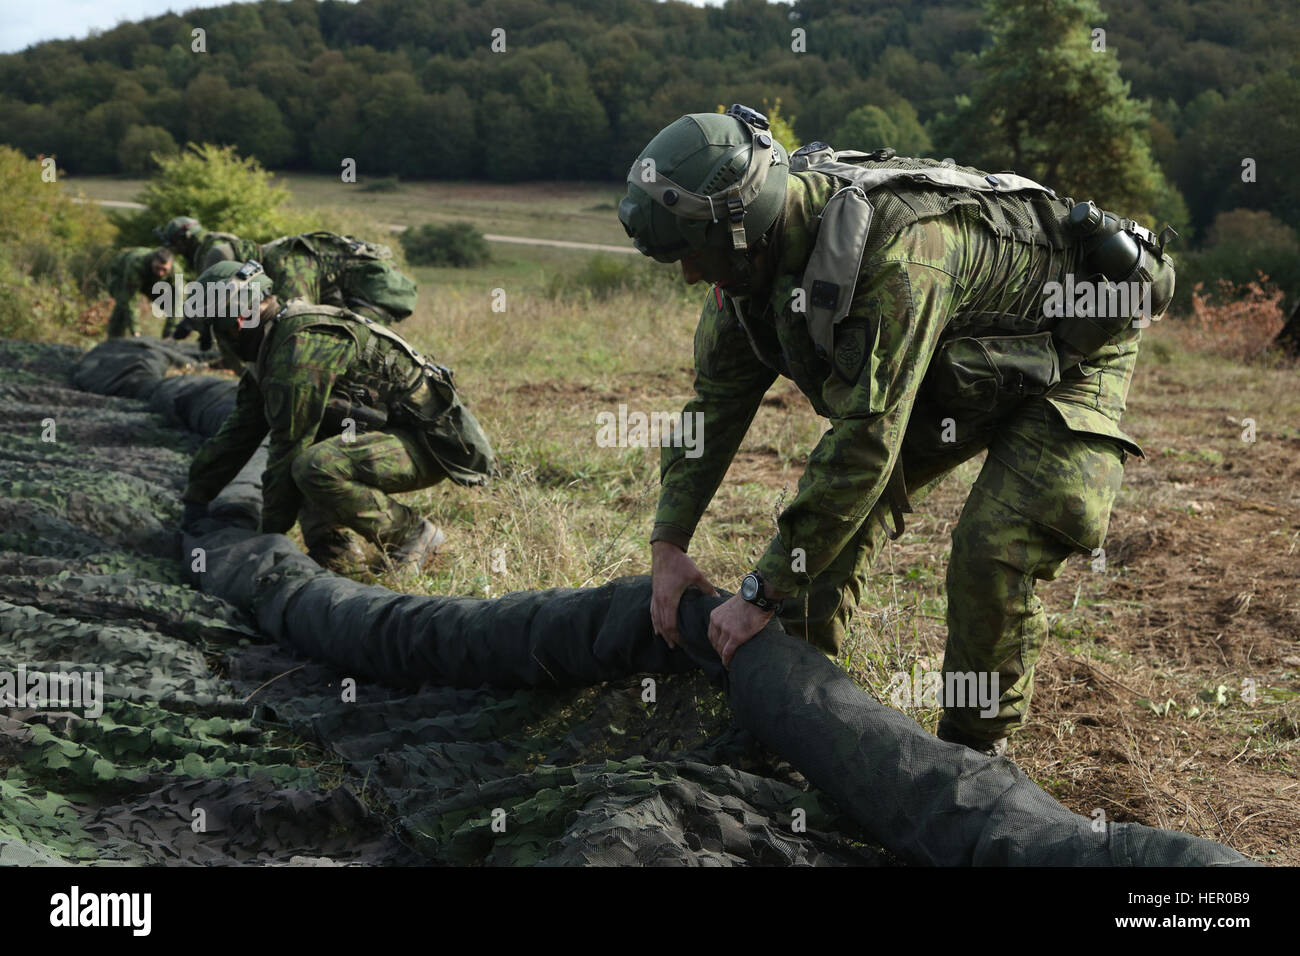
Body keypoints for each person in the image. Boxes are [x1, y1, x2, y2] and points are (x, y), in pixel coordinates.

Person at [619, 105, 1176, 754]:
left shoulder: (897, 255)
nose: (689, 275)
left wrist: (758, 593)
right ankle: (800, 739)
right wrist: (669, 542)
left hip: (1074, 348)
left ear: (740, 225)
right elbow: (714, 406)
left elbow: (864, 442)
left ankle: (973, 764)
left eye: (693, 254)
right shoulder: (746, 274)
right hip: (959, 365)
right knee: (826, 540)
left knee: (990, 549)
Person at [179, 259, 495, 574]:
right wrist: (195, 499)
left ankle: (413, 535)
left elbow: (287, 447)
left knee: (310, 465)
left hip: (430, 443)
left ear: (238, 321)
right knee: (306, 455)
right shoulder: (271, 348)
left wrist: (266, 542)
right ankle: (336, 551)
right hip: (381, 434)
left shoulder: (299, 348)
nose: (221, 347)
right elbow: (239, 433)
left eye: (217, 334)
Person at [103, 246, 174, 338]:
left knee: (170, 304)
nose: (160, 273)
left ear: (170, 267)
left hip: (151, 278)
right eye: (158, 268)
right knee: (122, 304)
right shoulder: (136, 265)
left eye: (164, 270)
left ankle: (168, 337)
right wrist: (136, 332)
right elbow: (130, 300)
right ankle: (113, 339)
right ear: (153, 261)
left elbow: (178, 302)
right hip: (122, 275)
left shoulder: (175, 272)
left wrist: (172, 332)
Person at [157, 216, 262, 273]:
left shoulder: (212, 250)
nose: (175, 249)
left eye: (174, 243)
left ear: (185, 239)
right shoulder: (204, 248)